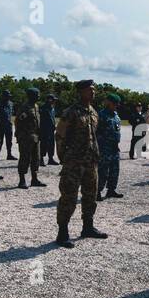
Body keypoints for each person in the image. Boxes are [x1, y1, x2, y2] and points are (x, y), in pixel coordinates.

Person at [54, 80, 107, 247]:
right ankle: (62, 233)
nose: (93, 92)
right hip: (74, 162)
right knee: (69, 197)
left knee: (90, 196)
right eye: (89, 90)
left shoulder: (93, 113)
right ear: (81, 92)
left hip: (91, 162)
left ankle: (88, 227)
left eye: (94, 89)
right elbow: (60, 136)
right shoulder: (71, 112)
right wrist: (65, 158)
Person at [14, 87, 46, 189]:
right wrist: (20, 136)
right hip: (26, 137)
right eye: (37, 95)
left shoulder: (36, 106)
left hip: (36, 137)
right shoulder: (25, 108)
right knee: (24, 158)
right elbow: (18, 122)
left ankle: (34, 179)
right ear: (31, 96)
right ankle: (22, 180)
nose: (39, 96)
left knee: (36, 158)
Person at [97, 92, 124, 199]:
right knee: (102, 171)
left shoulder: (116, 116)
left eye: (117, 104)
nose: (116, 106)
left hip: (114, 148)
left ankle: (111, 190)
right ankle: (97, 191)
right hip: (104, 148)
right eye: (115, 104)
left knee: (114, 170)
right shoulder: (101, 115)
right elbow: (96, 132)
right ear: (108, 103)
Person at [40, 93, 58, 166]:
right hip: (44, 130)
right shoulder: (43, 108)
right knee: (43, 145)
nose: (54, 101)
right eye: (53, 100)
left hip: (51, 130)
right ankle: (41, 159)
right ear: (49, 100)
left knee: (51, 144)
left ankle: (51, 159)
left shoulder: (52, 108)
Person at [0, 90, 15, 161]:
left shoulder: (11, 103)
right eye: (6, 96)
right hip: (0, 125)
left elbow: (11, 113)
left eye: (9, 96)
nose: (8, 97)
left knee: (9, 141)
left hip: (9, 125)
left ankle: (9, 154)